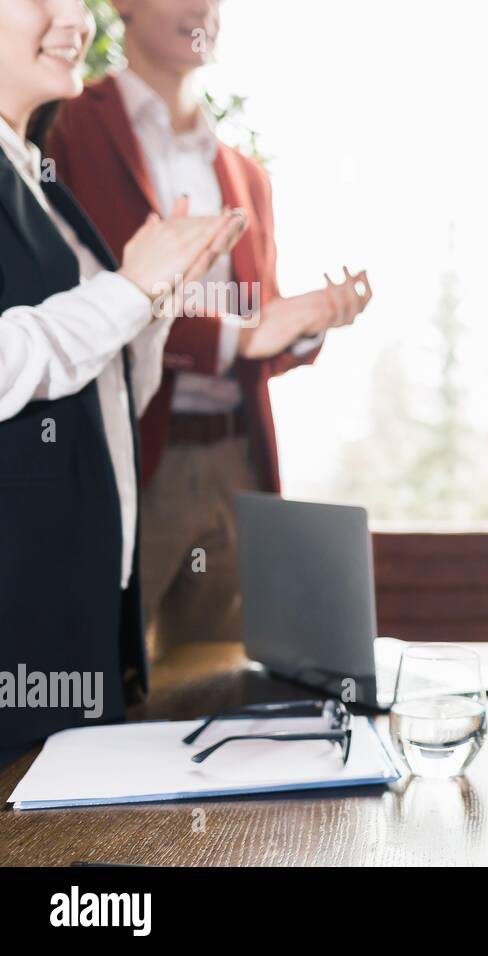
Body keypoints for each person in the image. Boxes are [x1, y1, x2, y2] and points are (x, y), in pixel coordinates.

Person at [42, 0, 373, 656]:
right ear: (121, 6)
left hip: (238, 464)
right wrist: (238, 335)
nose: (204, 7)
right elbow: (77, 305)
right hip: (135, 458)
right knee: (106, 682)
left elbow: (258, 327)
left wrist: (305, 324)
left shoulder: (245, 173)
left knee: (224, 685)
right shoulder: (64, 127)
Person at [0, 0, 245, 754]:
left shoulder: (34, 172)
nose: (74, 17)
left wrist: (157, 301)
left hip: (73, 598)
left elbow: (104, 393)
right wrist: (130, 290)